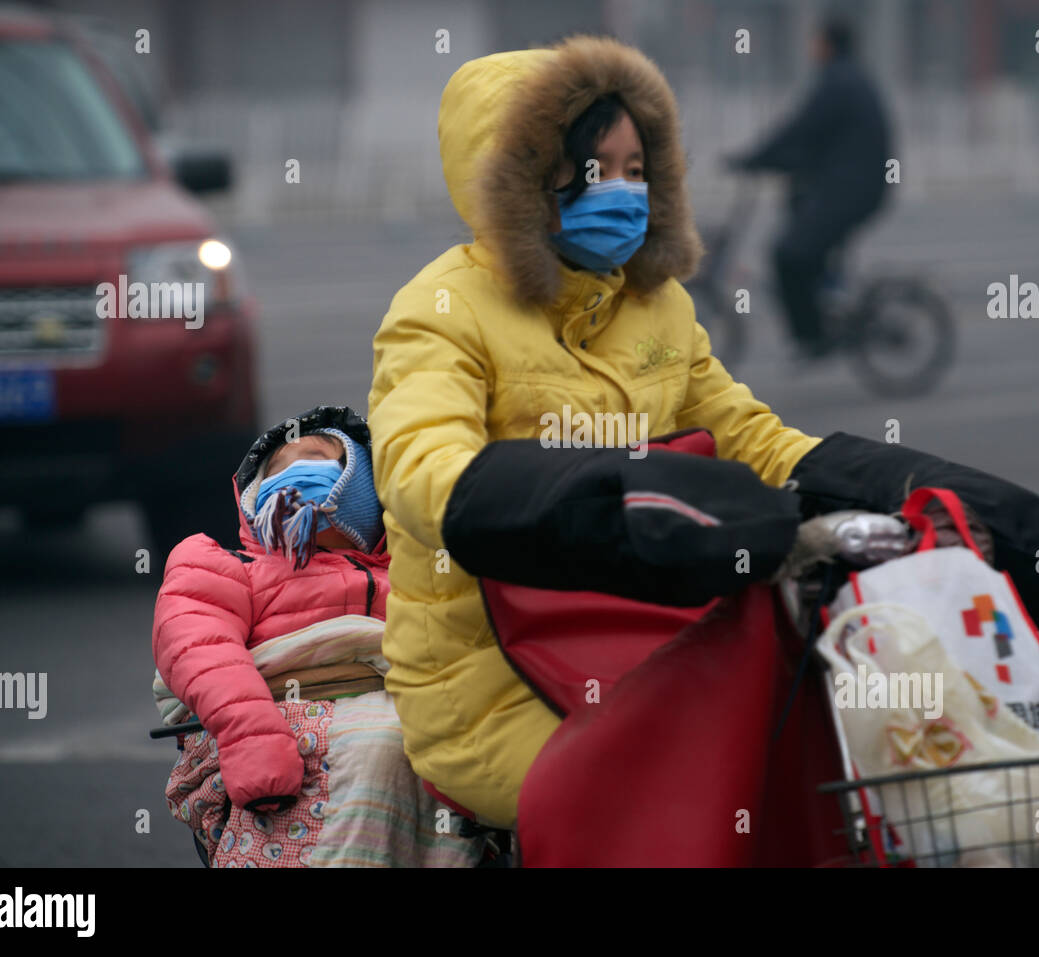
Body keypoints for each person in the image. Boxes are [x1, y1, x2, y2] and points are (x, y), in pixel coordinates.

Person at [368, 35, 824, 831]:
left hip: (642, 642)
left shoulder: (659, 305)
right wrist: (574, 502)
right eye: (592, 170)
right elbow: (419, 464)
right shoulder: (440, 308)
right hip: (484, 679)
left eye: (635, 169)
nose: (622, 191)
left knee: (810, 759)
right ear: (521, 179)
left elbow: (747, 434)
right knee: (659, 804)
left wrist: (880, 481)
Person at [150, 406, 490, 867]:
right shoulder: (225, 566)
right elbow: (202, 654)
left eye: (312, 459)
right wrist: (255, 741)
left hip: (406, 704)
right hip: (281, 719)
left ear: (368, 489)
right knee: (383, 745)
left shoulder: (419, 573)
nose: (292, 476)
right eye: (277, 470)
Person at [728, 16, 893, 357]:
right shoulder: (847, 79)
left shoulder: (838, 83)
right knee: (800, 227)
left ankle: (812, 336)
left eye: (815, 42)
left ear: (827, 44)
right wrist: (770, 161)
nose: (810, 48)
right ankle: (826, 301)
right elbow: (814, 140)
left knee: (786, 253)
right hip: (849, 186)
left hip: (850, 191)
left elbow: (799, 129)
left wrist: (755, 158)